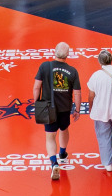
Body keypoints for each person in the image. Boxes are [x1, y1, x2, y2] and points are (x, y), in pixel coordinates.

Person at [33, 42, 82, 180]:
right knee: (64, 129)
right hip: (65, 108)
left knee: (50, 136)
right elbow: (77, 92)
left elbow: (36, 87)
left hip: (48, 108)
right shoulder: (72, 71)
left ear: (55, 52)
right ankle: (62, 153)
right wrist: (77, 109)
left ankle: (54, 163)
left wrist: (37, 103)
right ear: (67, 54)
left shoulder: (44, 66)